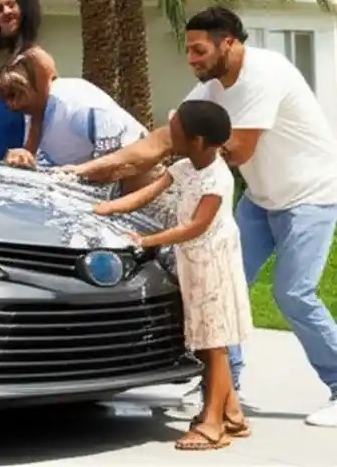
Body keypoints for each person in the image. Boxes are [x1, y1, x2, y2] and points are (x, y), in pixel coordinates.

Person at [66, 6, 337, 428]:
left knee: (293, 294)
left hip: (310, 196)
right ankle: (224, 386)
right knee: (224, 289)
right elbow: (160, 140)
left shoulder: (265, 74)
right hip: (263, 200)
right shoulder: (212, 88)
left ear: (229, 42)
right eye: (188, 50)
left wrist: (179, 148)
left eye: (199, 50)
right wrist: (83, 170)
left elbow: (238, 150)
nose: (191, 59)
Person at [94, 100, 252, 450]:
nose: (168, 133)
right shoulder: (185, 166)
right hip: (194, 263)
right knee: (206, 341)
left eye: (176, 128)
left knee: (215, 346)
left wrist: (146, 240)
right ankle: (233, 416)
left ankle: (213, 425)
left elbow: (195, 227)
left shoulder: (217, 179)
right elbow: (144, 194)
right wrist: (105, 209)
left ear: (196, 140)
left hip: (213, 263)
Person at [0, 56, 148, 181]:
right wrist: (23, 158)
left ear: (37, 83)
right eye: (5, 99)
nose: (11, 105)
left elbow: (127, 161)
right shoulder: (35, 113)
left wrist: (81, 173)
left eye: (15, 95)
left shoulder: (77, 105)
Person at [0, 0, 58, 162]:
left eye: (11, 4)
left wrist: (27, 159)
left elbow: (40, 120)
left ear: (24, 8)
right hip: (3, 167)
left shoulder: (37, 59)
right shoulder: (7, 64)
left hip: (21, 170)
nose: (5, 12)